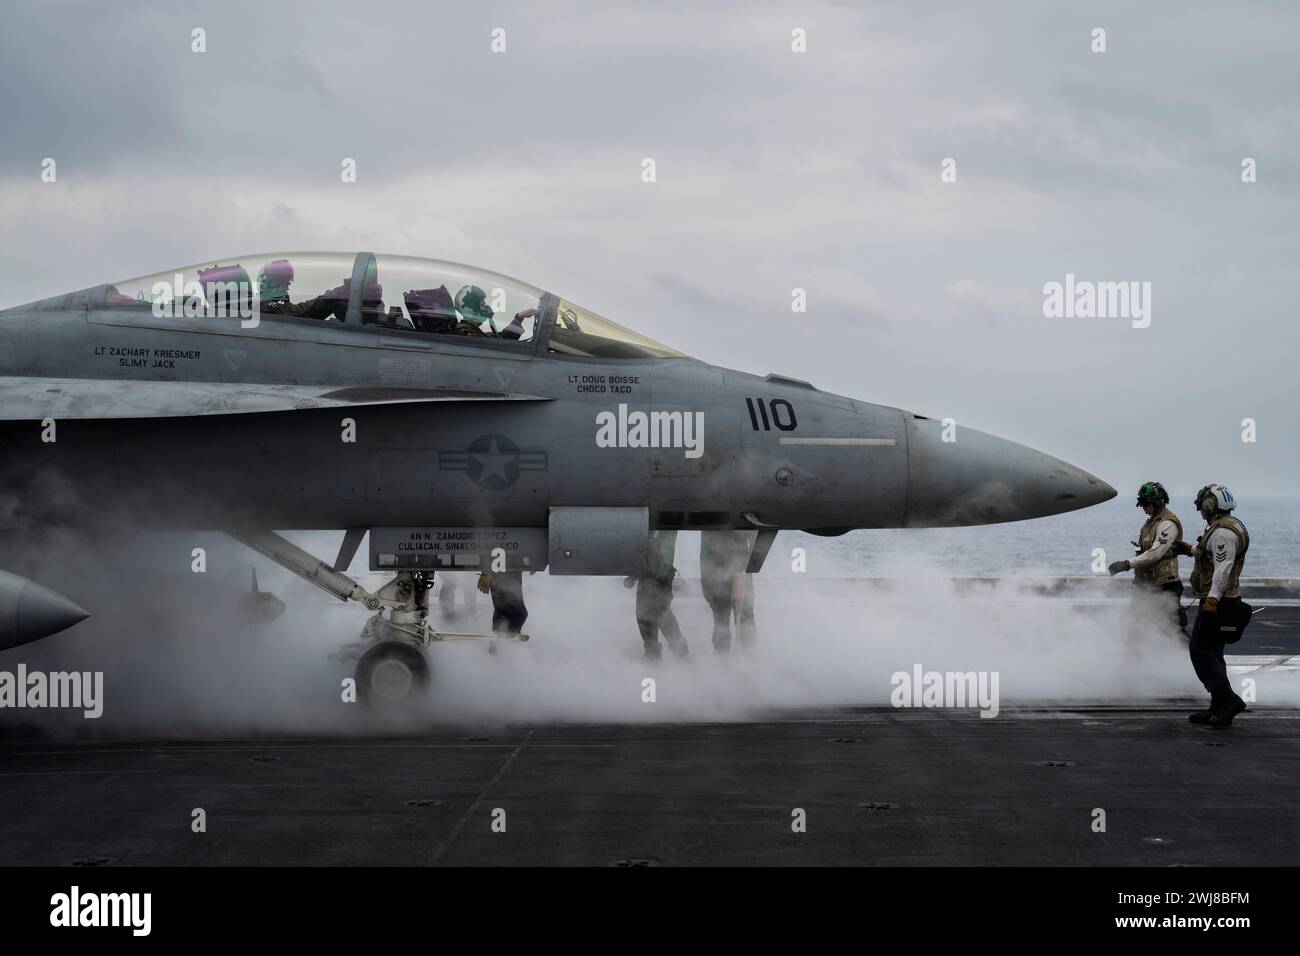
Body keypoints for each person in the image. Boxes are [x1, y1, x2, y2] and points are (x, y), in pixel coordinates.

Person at [1178, 484, 1250, 727]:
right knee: (1213, 653)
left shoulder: (1223, 533)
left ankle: (1228, 700)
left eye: (1203, 505)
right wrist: (1189, 549)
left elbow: (1223, 568)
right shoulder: (1224, 528)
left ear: (1211, 504)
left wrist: (1211, 600)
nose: (1200, 509)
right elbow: (1209, 553)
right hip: (1222, 600)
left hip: (1219, 602)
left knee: (1199, 651)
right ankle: (1218, 705)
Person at [1107, 481, 1187, 638]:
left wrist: (1127, 564)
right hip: (1145, 585)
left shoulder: (1167, 524)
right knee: (1135, 629)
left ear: (1158, 502)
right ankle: (1134, 661)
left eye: (1145, 503)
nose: (1143, 508)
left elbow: (1155, 553)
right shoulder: (1151, 522)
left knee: (1175, 632)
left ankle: (1191, 661)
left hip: (1164, 585)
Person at [626, 530, 689, 661]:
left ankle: (680, 652)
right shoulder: (647, 528)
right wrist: (633, 575)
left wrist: (660, 576)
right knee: (643, 615)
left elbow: (667, 554)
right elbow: (642, 553)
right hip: (646, 578)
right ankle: (653, 652)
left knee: (661, 614)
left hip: (658, 579)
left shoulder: (666, 528)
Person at [700, 530, 757, 654]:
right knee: (724, 617)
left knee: (741, 616)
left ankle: (746, 656)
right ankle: (727, 656)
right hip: (723, 567)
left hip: (737, 564)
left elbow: (754, 536)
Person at [477, 568, 528, 635]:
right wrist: (486, 571)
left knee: (504, 613)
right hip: (503, 566)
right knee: (516, 613)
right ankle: (503, 639)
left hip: (509, 566)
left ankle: (500, 640)